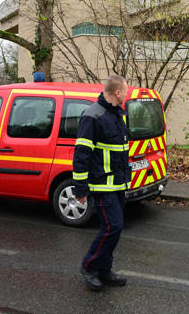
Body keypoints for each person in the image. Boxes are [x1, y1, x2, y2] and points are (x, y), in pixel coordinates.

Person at [73, 75, 130, 292]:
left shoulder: (117, 114)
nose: (126, 94)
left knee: (115, 228)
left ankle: (105, 271)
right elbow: (81, 155)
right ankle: (89, 266)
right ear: (118, 93)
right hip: (102, 185)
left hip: (118, 184)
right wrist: (81, 188)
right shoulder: (92, 116)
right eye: (125, 91)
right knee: (112, 227)